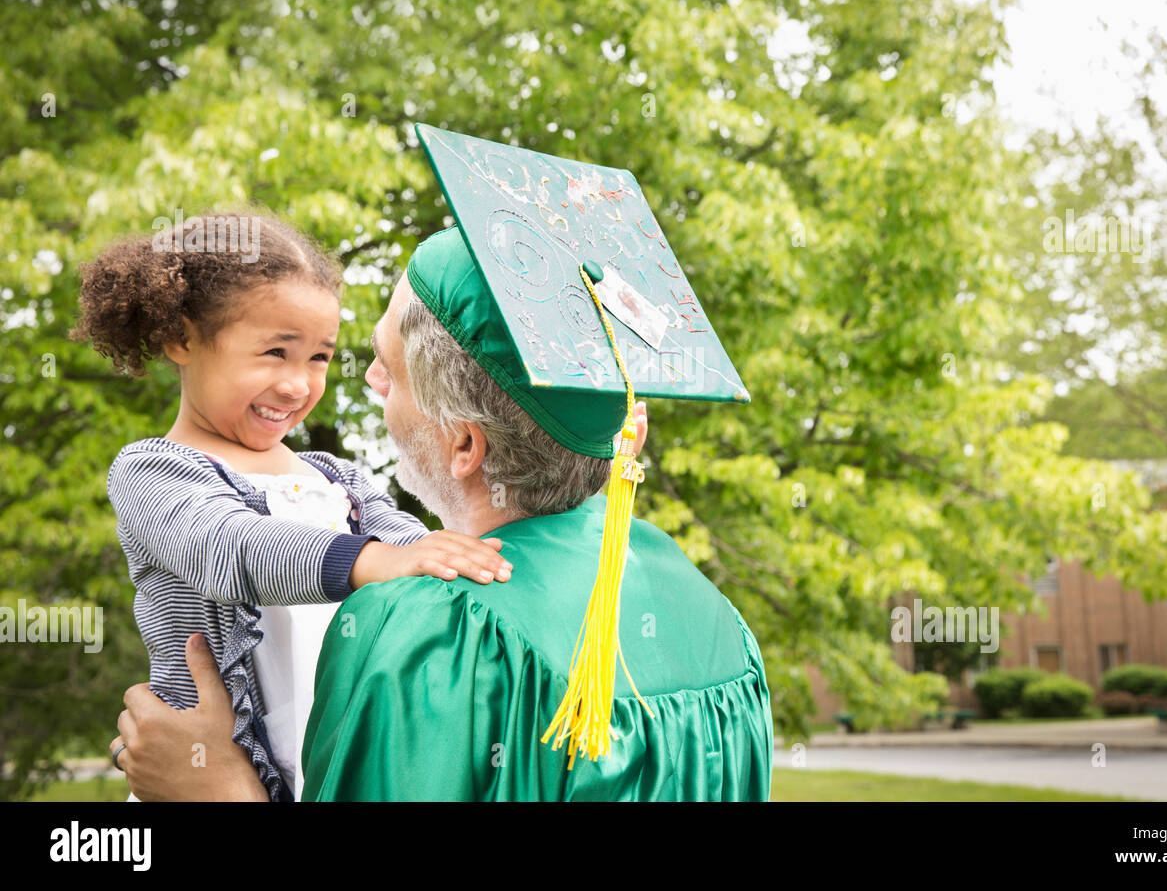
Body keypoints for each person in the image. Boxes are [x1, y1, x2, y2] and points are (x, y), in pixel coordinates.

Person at [115, 128, 772, 800]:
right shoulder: (708, 615)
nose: (362, 379)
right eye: (277, 352)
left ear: (464, 445)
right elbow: (234, 545)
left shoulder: (434, 634)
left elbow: (403, 544)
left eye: (383, 367)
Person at [75, 211, 516, 801]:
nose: (298, 384)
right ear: (183, 338)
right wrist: (369, 561)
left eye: (318, 358)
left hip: (314, 770)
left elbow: (416, 551)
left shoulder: (339, 480)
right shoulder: (154, 472)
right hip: (207, 771)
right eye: (276, 352)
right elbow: (232, 549)